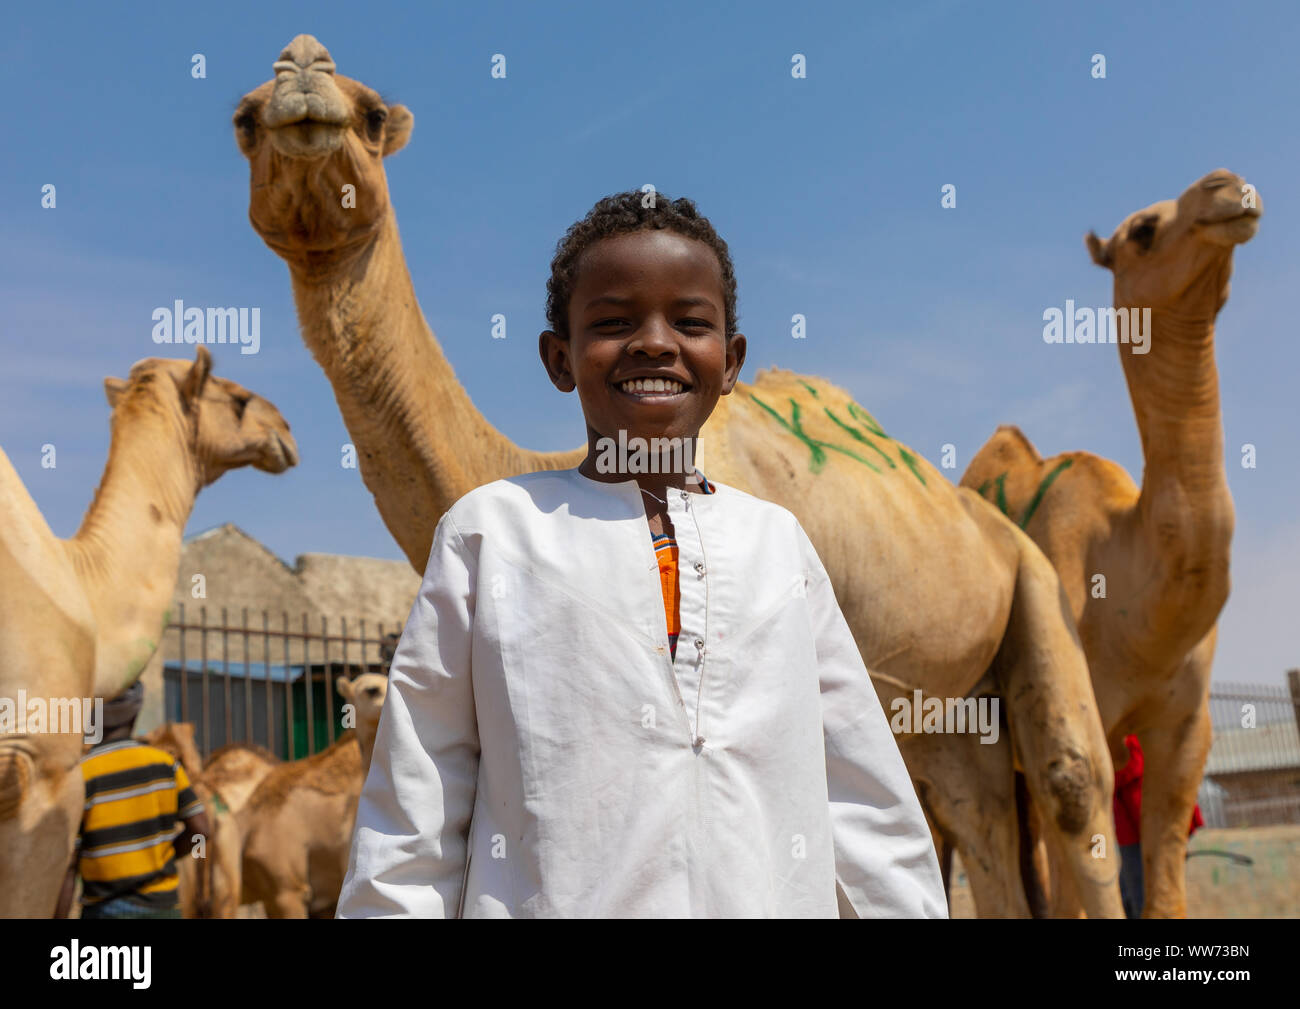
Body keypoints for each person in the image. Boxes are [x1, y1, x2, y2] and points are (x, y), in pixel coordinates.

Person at [337, 191, 947, 918]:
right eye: (613, 322)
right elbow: (416, 801)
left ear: (730, 363)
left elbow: (866, 800)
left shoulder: (776, 543)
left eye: (690, 322)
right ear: (559, 358)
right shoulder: (491, 535)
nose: (655, 343)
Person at [54, 682, 210, 919]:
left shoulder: (83, 776)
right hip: (163, 908)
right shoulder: (166, 765)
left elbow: (70, 864)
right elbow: (202, 831)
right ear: (135, 714)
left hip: (106, 910)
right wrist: (174, 854)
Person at [1113, 733, 1204, 919]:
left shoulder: (1128, 748)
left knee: (1143, 901)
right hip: (1142, 831)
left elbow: (1136, 799)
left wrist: (1165, 843)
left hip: (1142, 835)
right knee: (1125, 897)